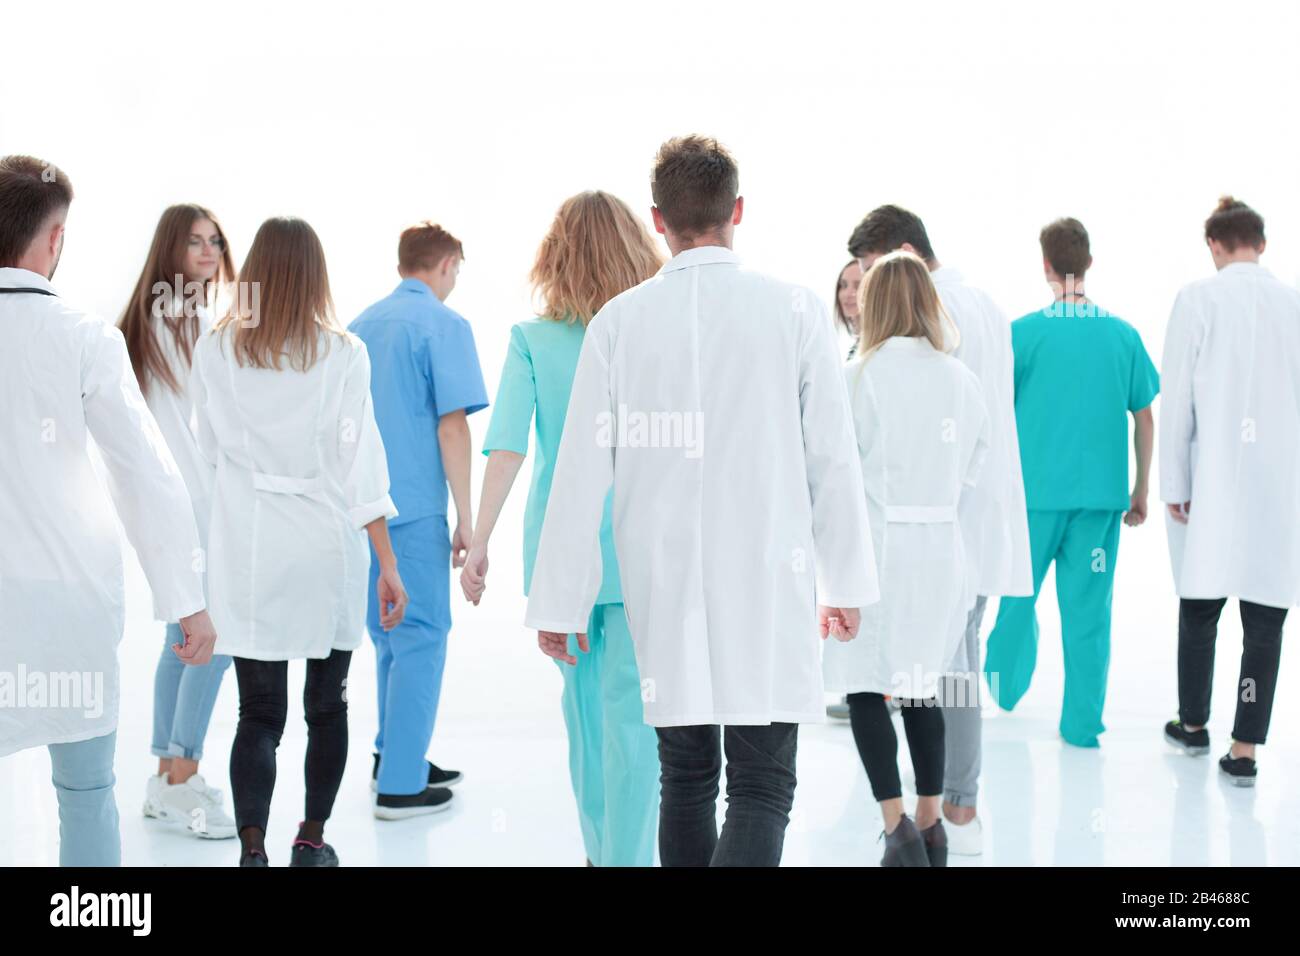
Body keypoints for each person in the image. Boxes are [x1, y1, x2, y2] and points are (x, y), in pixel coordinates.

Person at [525, 136, 879, 867]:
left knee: (684, 776)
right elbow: (833, 460)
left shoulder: (617, 324)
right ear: (737, 211)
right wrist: (844, 583)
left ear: (658, 221)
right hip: (768, 573)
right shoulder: (795, 310)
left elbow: (579, 470)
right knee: (762, 783)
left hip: (665, 580)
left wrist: (560, 601)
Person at [0, 155, 218, 866]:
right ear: (55, 239)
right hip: (69, 607)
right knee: (88, 792)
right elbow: (146, 478)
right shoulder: (86, 337)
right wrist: (187, 598)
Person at [191, 216, 407, 865]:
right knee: (326, 708)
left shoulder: (216, 351)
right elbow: (361, 463)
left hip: (250, 550)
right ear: (317, 276)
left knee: (258, 713)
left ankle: (252, 848)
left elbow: (207, 457)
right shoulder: (343, 354)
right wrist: (388, 565)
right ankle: (311, 840)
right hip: (325, 547)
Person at [460, 191, 664, 866]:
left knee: (584, 723)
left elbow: (508, 446)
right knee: (634, 724)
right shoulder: (652, 330)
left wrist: (479, 536)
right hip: (644, 546)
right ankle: (630, 858)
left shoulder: (532, 340)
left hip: (562, 552)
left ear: (557, 256)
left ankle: (604, 855)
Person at [847, 205, 1032, 856]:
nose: (862, 291)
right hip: (960, 530)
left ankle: (943, 814)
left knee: (920, 676)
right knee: (948, 674)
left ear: (901, 255)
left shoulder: (873, 367)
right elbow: (977, 441)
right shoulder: (983, 307)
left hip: (918, 536)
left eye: (870, 274)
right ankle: (947, 809)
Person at [824, 250, 988, 867]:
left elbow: (835, 475)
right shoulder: (960, 379)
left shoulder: (856, 377)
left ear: (876, 302)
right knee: (924, 690)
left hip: (876, 551)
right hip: (942, 553)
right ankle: (931, 822)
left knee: (865, 687)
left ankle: (895, 828)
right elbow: (973, 466)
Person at [984, 218, 1158, 748]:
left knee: (1016, 598)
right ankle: (1082, 724)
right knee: (1089, 614)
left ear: (1045, 264)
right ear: (1088, 263)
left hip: (1033, 498)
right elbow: (1144, 418)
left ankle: (1005, 687)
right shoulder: (1122, 334)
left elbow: (995, 414)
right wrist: (1140, 489)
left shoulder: (1020, 334)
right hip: (1100, 501)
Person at [1160, 197, 1300, 787]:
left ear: (1214, 246)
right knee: (1265, 620)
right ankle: (1244, 748)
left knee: (1200, 609)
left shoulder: (1198, 298)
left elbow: (1177, 401)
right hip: (1280, 483)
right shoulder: (1293, 305)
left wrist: (1173, 482)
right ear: (1261, 242)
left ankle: (1193, 724)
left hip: (1211, 478)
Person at [350, 222, 488, 818]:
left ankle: (394, 755)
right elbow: (452, 426)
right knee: (422, 638)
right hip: (415, 509)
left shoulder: (357, 327)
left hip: (364, 513)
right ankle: (402, 785)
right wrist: (467, 516)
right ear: (448, 263)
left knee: (388, 637)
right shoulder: (445, 325)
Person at [119, 204, 237, 838]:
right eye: (194, 241)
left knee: (182, 637)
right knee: (211, 643)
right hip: (195, 503)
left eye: (215, 240)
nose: (209, 250)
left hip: (169, 503)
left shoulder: (149, 320)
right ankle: (183, 779)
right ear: (170, 248)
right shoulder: (184, 321)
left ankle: (167, 776)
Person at [827, 257, 866, 722]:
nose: (849, 294)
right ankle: (863, 688)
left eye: (858, 285)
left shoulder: (870, 354)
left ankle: (872, 692)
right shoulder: (851, 349)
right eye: (843, 286)